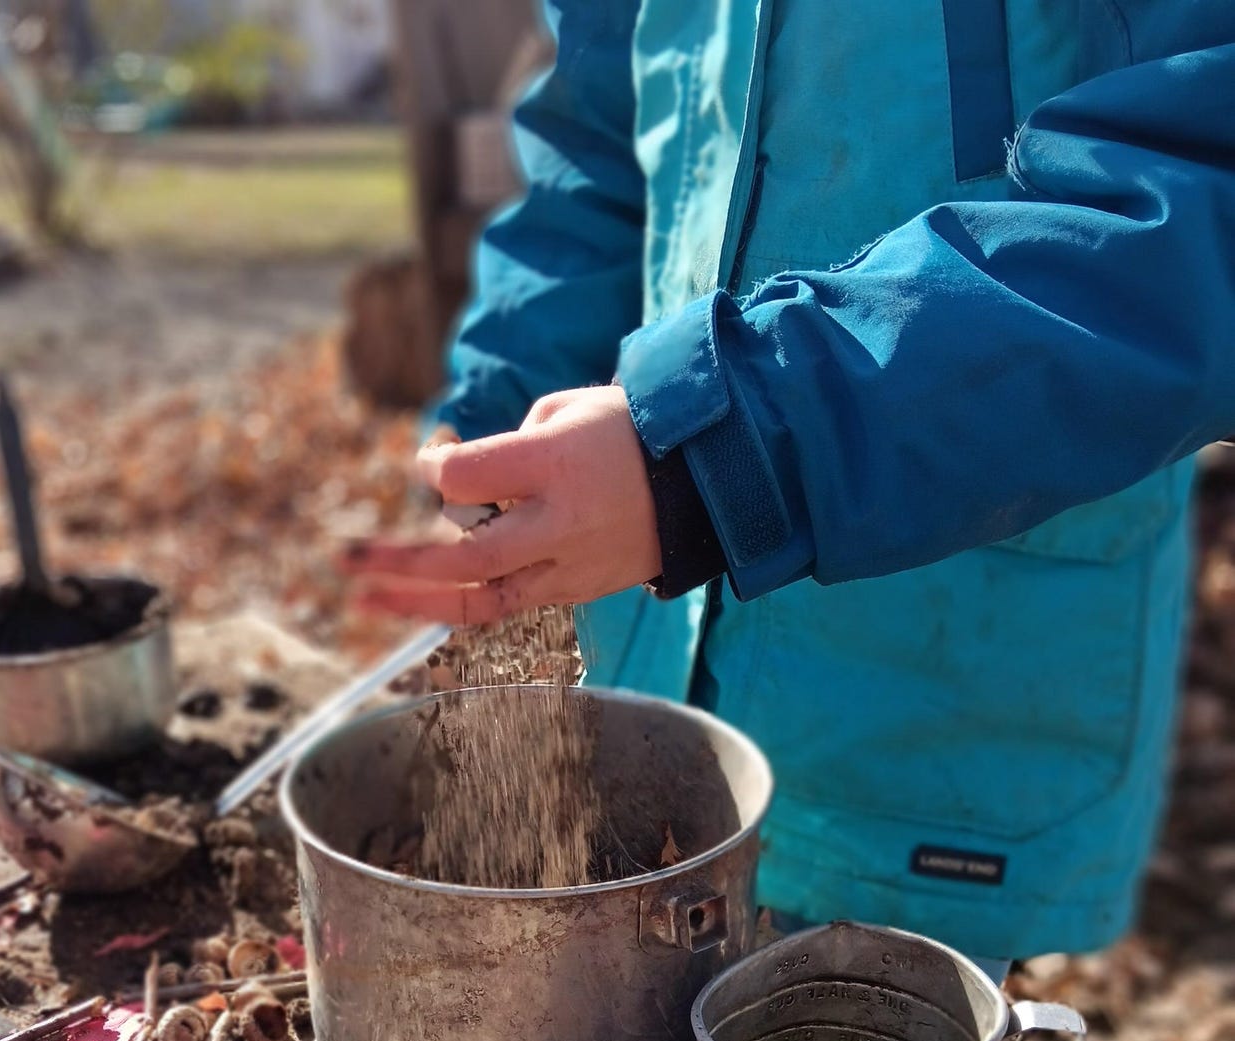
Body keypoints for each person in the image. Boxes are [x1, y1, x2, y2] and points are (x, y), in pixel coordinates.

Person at [346, 2, 1235, 975]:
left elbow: (1196, 200)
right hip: (653, 642)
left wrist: (723, 450)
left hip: (944, 684)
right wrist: (499, 416)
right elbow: (595, 140)